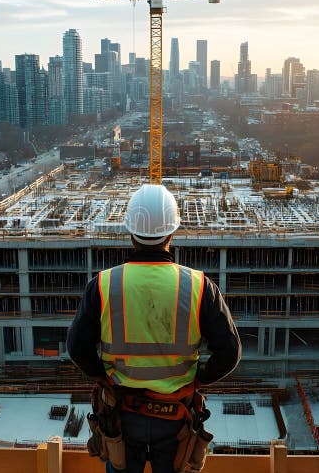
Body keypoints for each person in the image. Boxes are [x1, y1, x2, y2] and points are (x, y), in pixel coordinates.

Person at [67, 184, 241, 473]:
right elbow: (230, 352)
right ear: (172, 232)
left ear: (131, 232)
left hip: (122, 414)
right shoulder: (199, 287)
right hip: (177, 416)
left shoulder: (103, 285)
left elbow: (77, 348)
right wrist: (199, 380)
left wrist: (103, 377)